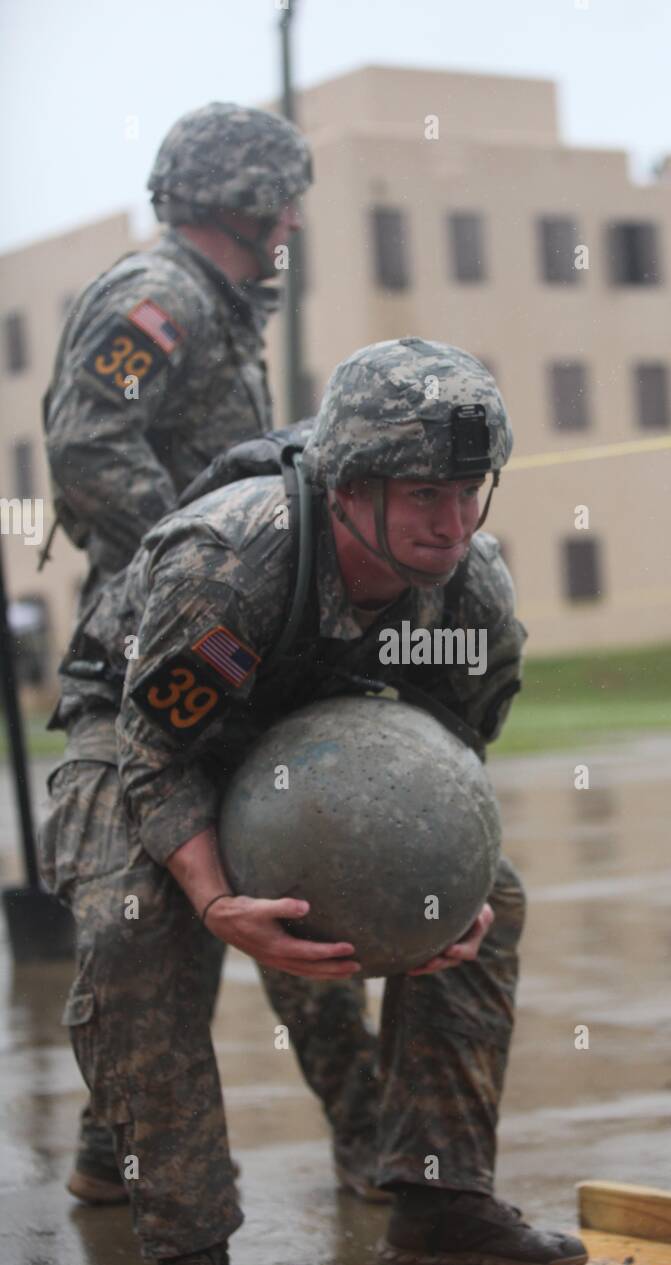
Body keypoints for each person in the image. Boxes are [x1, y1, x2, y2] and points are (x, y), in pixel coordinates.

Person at [38, 337, 589, 1265]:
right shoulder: (231, 564)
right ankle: (188, 1254)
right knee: (136, 927)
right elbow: (158, 758)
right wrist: (215, 901)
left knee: (486, 897)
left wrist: (450, 877)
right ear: (347, 486)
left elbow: (456, 749)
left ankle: (439, 1200)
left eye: (469, 491)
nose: (452, 522)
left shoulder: (471, 589)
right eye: (423, 494)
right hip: (144, 728)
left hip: (308, 729)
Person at [42, 103, 382, 1209]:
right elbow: (90, 443)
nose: (293, 221)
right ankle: (144, 1161)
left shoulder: (223, 312)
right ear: (249, 198)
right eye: (285, 199)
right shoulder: (165, 297)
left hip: (234, 649)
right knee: (162, 934)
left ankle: (372, 1149)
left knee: (295, 903)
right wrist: (191, 565)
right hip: (166, 647)